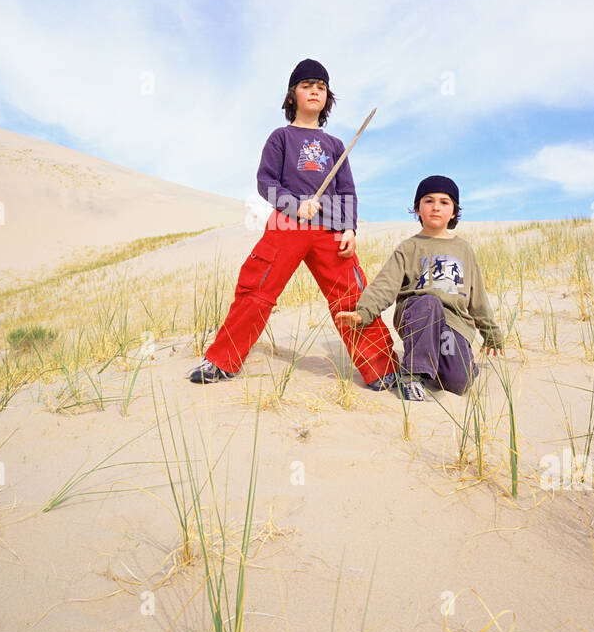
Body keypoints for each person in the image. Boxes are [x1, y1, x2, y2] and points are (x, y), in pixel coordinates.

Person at [188, 59, 409, 397]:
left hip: (331, 230)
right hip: (287, 224)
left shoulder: (335, 146)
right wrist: (294, 204)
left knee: (352, 296)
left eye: (321, 87)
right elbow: (265, 183)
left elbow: (348, 190)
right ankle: (222, 360)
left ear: (327, 98)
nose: (314, 91)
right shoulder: (281, 138)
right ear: (292, 95)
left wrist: (350, 228)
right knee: (257, 288)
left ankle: (381, 368)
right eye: (307, 86)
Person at [334, 175, 503, 399]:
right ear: (417, 209)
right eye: (429, 201)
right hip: (418, 313)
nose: (436, 207)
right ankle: (412, 374)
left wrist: (491, 333)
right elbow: (385, 285)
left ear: (453, 212)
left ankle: (442, 364)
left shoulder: (464, 249)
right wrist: (363, 312)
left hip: (453, 323)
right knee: (429, 302)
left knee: (458, 383)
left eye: (444, 202)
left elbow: (477, 296)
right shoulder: (409, 247)